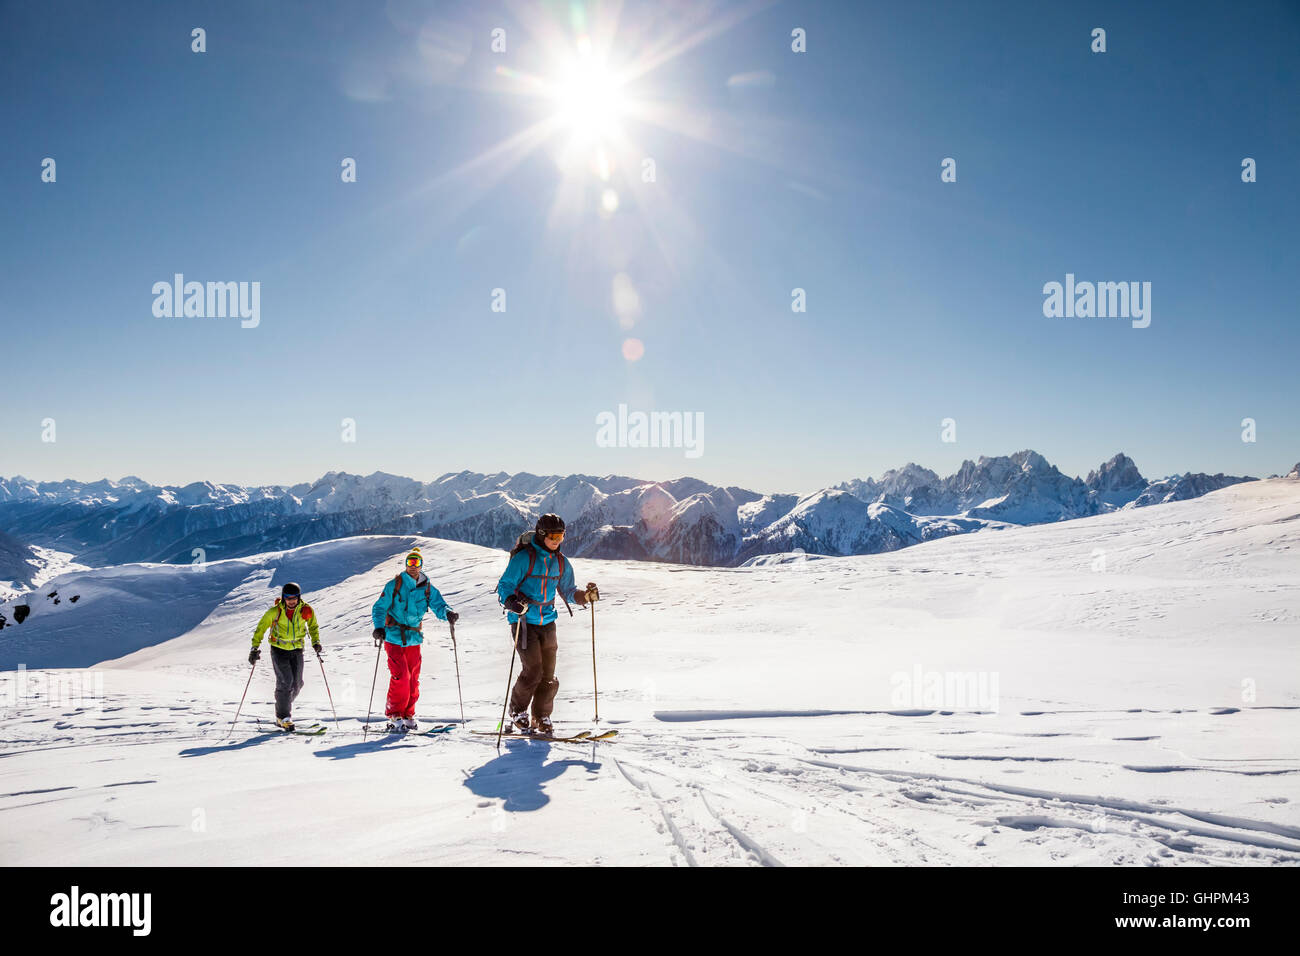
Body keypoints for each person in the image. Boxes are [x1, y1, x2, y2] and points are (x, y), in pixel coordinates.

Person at [496, 514, 598, 736]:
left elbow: (569, 590)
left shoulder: (561, 562)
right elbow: (505, 585)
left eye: (561, 535)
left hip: (548, 621)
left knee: (548, 675)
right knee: (533, 671)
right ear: (542, 535)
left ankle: (541, 716)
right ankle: (517, 711)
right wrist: (512, 602)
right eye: (553, 536)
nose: (557, 540)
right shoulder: (524, 559)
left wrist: (585, 597)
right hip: (523, 621)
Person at [370, 548, 457, 732]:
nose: (413, 566)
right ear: (406, 565)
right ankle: (395, 715)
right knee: (401, 675)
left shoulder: (426, 587)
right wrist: (379, 627)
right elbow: (379, 607)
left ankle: (408, 714)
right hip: (393, 637)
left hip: (414, 640)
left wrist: (448, 613)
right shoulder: (394, 585)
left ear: (421, 565)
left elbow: (438, 604)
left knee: (413, 680)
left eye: (416, 562)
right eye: (410, 562)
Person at [250, 582, 320, 731]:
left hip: (297, 649)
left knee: (298, 684)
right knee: (285, 681)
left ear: (298, 597)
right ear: (283, 598)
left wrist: (316, 642)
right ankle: (283, 717)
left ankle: (283, 702)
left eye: (294, 598)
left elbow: (313, 626)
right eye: (288, 598)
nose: (291, 601)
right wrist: (254, 648)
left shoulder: (306, 610)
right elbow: (261, 628)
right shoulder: (275, 612)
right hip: (279, 649)